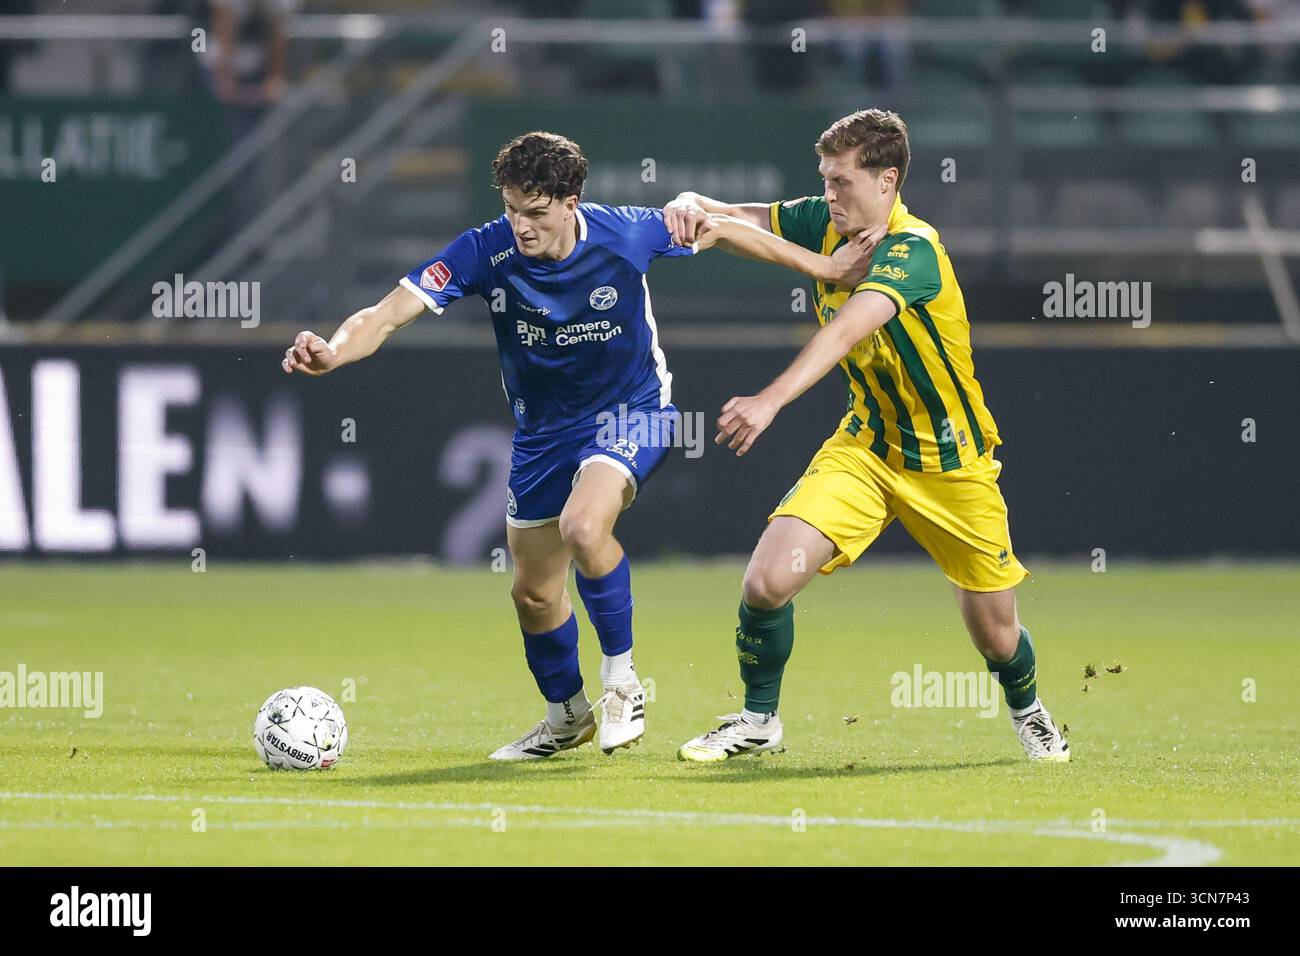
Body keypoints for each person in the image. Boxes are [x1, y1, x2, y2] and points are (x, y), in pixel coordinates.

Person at [662, 108, 1070, 763]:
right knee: (767, 581)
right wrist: (690, 205)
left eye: (842, 181)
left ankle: (1029, 709)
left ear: (887, 181)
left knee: (996, 634)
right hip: (866, 450)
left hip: (952, 465)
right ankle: (758, 719)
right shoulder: (824, 223)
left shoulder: (914, 251)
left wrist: (770, 398)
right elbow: (737, 218)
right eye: (824, 179)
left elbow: (847, 328)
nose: (829, 194)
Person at [283, 132, 692, 760]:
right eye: (511, 209)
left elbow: (726, 227)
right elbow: (387, 313)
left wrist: (823, 267)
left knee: (585, 526)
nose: (521, 225)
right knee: (532, 593)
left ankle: (622, 683)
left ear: (570, 202)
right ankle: (566, 717)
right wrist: (336, 351)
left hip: (632, 411)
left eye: (535, 211)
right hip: (543, 435)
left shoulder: (627, 232)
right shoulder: (485, 250)